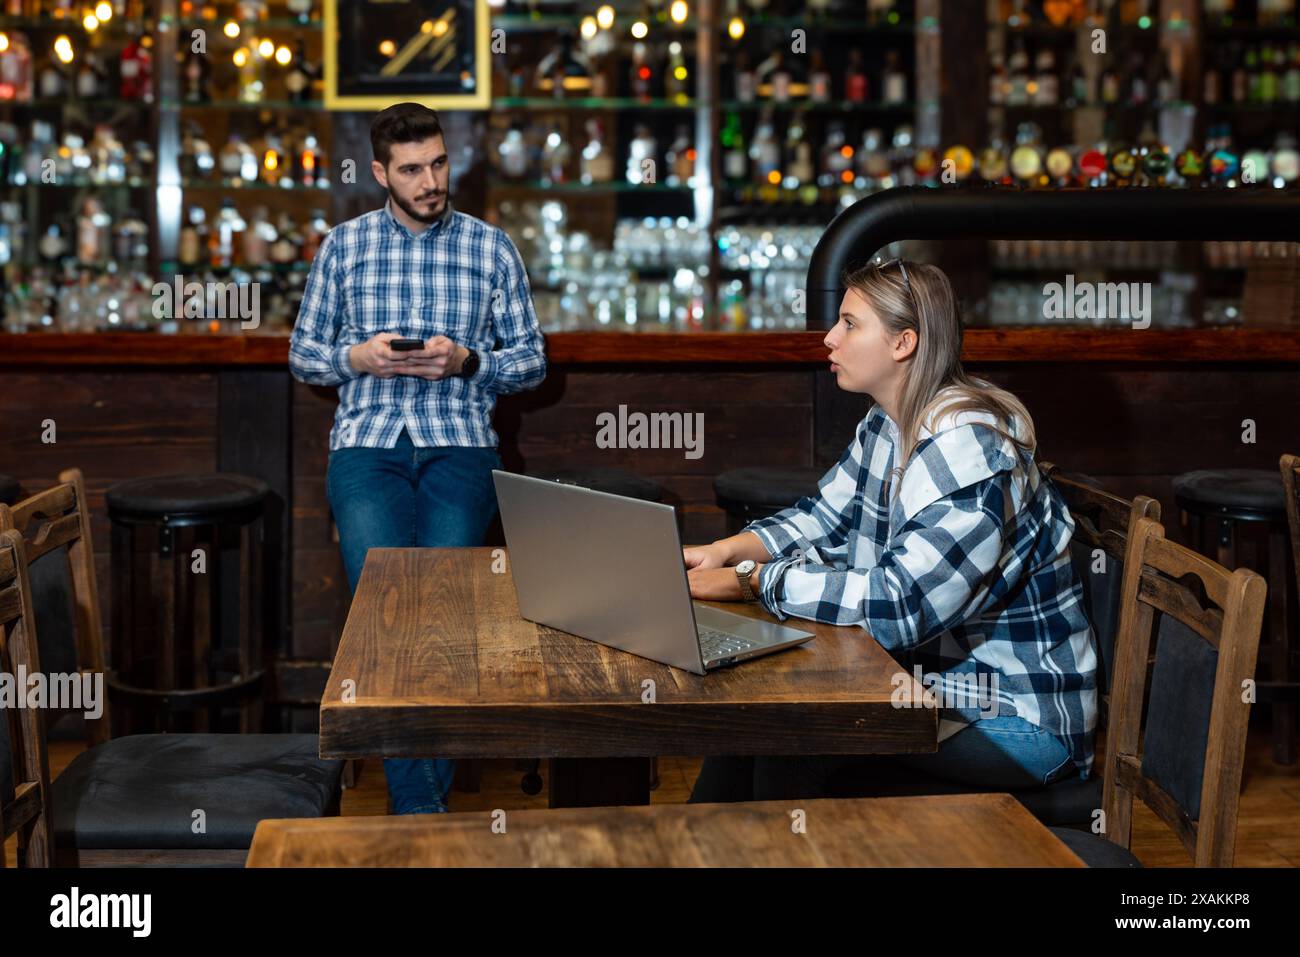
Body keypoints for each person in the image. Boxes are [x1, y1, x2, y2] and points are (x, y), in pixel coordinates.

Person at [682, 258, 1097, 802]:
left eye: (850, 324)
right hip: (926, 680)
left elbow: (897, 609)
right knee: (755, 729)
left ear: (903, 343)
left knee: (792, 738)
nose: (829, 338)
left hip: (1021, 714)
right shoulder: (887, 421)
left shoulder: (967, 451)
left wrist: (754, 581)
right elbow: (824, 517)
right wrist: (721, 551)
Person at [289, 103, 546, 813]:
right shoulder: (343, 247)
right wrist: (355, 356)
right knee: (386, 623)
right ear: (380, 172)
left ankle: (417, 821)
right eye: (412, 169)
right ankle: (424, 817)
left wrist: (468, 360)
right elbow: (302, 352)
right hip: (367, 448)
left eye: (438, 163)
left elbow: (532, 362)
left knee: (445, 625)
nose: (431, 181)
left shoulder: (491, 248)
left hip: (459, 445)